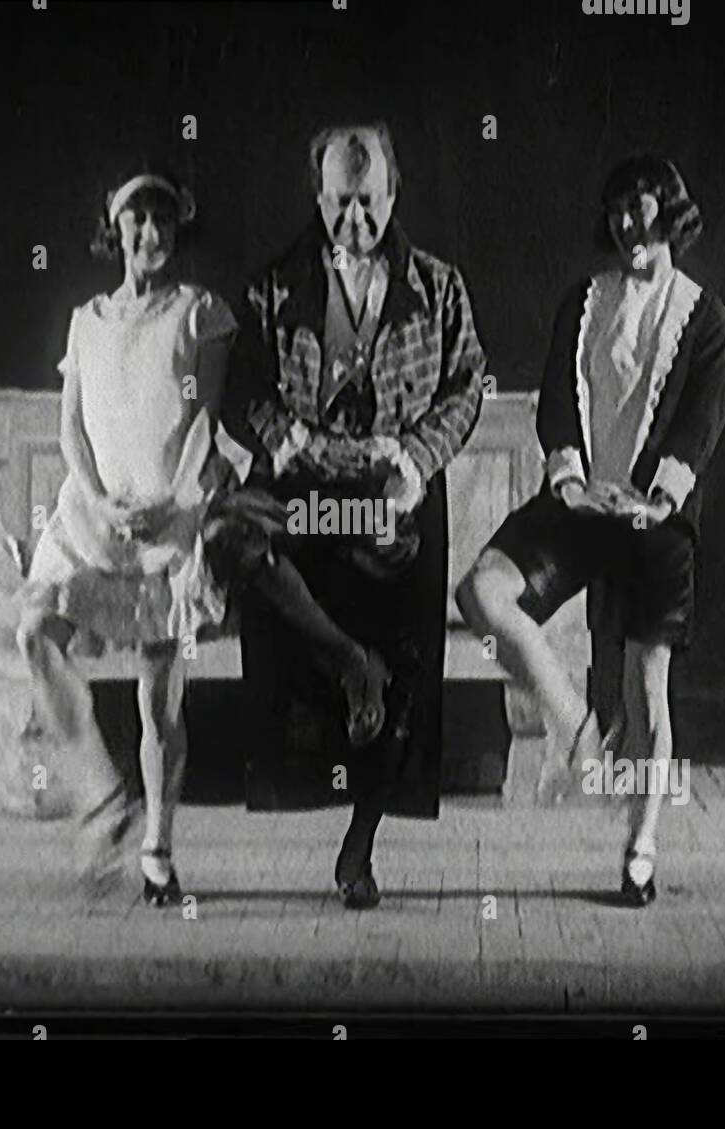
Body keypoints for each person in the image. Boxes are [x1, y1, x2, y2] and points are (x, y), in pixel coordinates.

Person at [209, 123, 487, 910]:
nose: (355, 220)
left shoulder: (439, 287)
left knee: (404, 663)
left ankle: (359, 848)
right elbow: (241, 390)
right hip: (304, 493)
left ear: (392, 194)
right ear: (318, 196)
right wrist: (282, 435)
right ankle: (344, 657)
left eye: (368, 202)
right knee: (230, 536)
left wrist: (417, 459)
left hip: (389, 504)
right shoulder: (272, 287)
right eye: (339, 203)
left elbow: (468, 385)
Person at [456, 155, 725, 907]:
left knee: (647, 688)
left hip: (654, 517)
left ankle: (640, 849)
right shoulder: (583, 297)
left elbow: (701, 425)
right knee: (482, 590)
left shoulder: (704, 317)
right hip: (582, 503)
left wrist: (655, 499)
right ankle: (574, 722)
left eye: (642, 214)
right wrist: (573, 483)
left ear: (671, 217)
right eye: (617, 214)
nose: (628, 228)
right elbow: (556, 397)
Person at [16, 164, 238, 905]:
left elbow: (206, 415)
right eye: (137, 219)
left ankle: (157, 850)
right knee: (33, 631)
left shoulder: (201, 312)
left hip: (166, 518)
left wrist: (177, 499)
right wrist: (96, 497)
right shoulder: (87, 320)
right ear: (113, 228)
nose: (151, 233)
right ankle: (104, 798)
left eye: (164, 219)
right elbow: (70, 426)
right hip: (95, 512)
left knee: (160, 699)